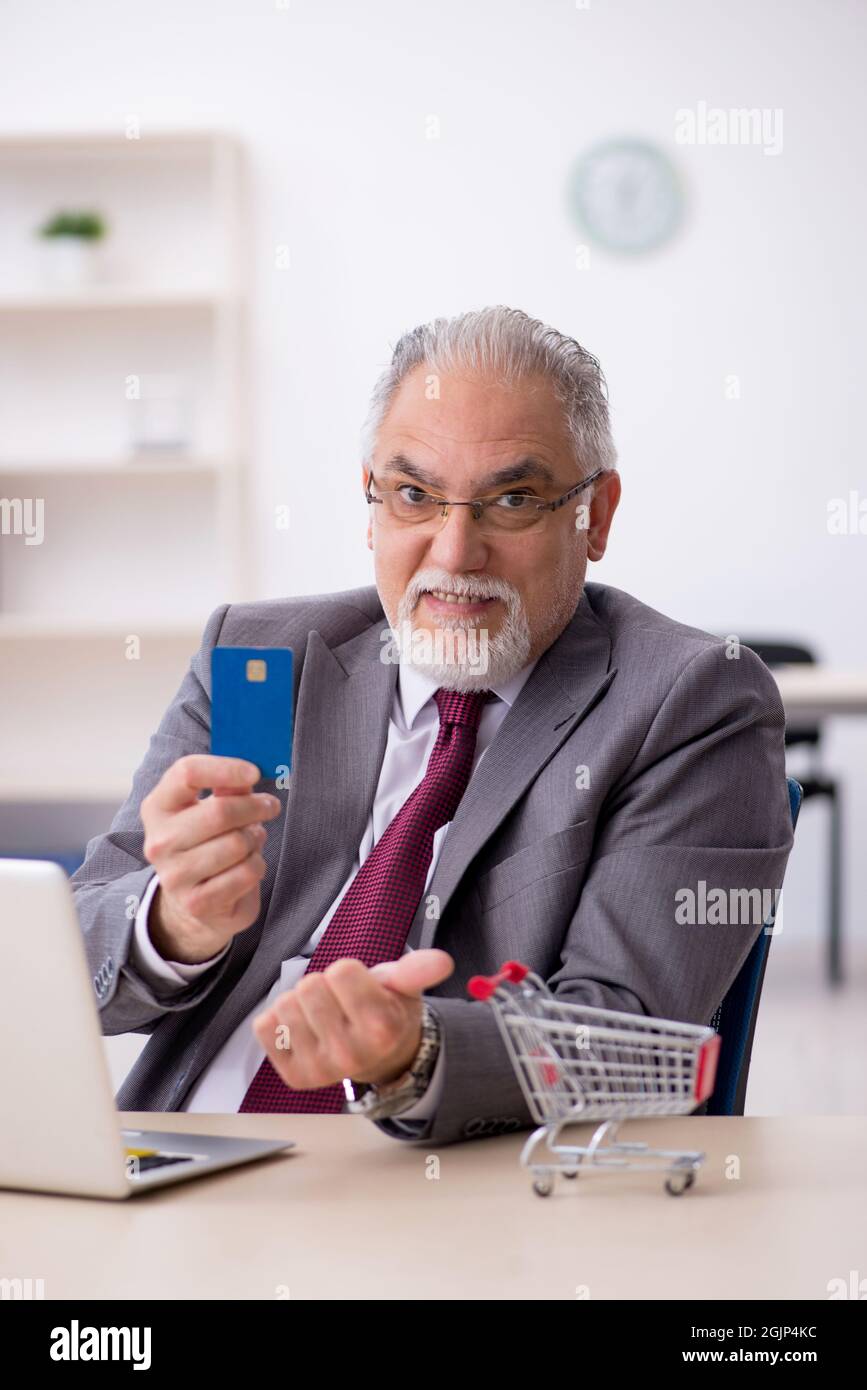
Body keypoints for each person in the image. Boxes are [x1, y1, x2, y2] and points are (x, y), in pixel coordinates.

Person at [71, 306, 794, 1144]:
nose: (453, 552)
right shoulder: (261, 660)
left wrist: (411, 1055)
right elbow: (71, 954)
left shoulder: (690, 701)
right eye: (415, 495)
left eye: (512, 500)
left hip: (446, 1195)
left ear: (594, 515)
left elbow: (624, 1040)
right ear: (370, 503)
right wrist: (171, 925)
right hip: (176, 1160)